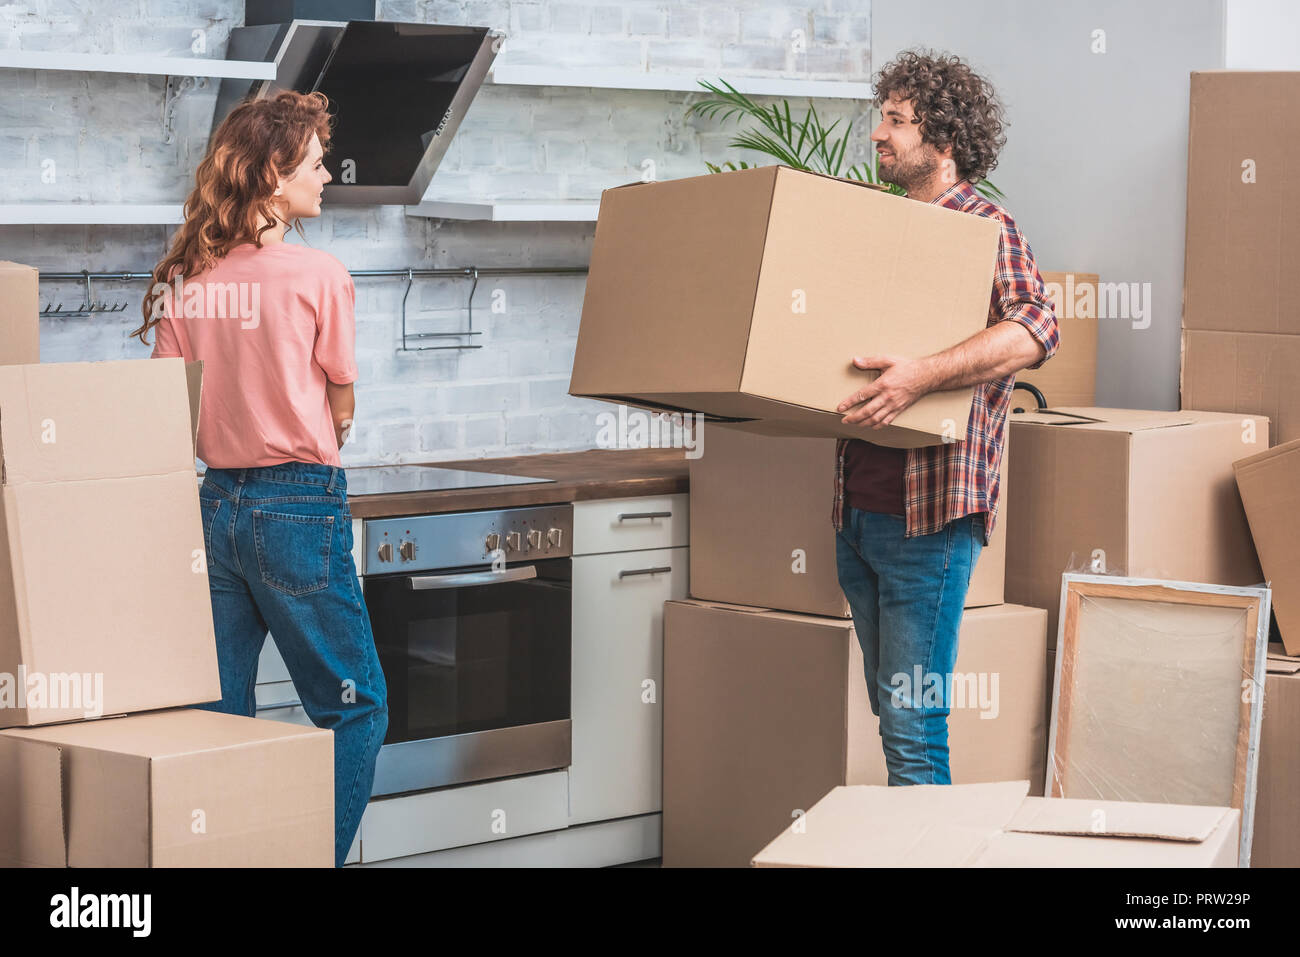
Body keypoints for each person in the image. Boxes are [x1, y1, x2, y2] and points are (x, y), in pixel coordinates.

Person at [132, 90, 387, 867]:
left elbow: (165, 410)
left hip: (216, 510)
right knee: (357, 708)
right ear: (275, 172)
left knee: (217, 713)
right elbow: (341, 399)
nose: (326, 176)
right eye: (314, 163)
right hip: (298, 508)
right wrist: (323, 418)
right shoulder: (319, 275)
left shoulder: (187, 278)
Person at [833, 50, 1059, 786]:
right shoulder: (881, 226)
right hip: (859, 514)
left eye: (897, 121)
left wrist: (923, 375)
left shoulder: (986, 226)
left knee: (912, 730)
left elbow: (1036, 328)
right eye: (882, 118)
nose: (878, 135)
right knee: (888, 708)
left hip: (929, 524)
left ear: (946, 137)